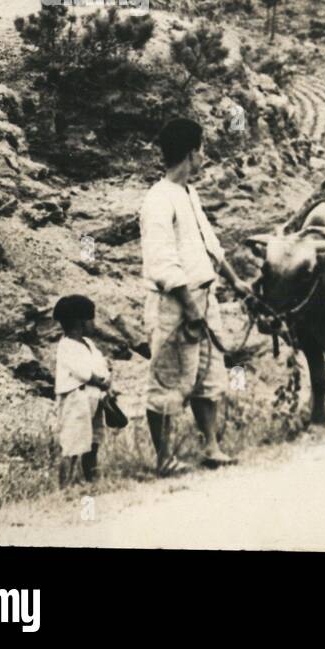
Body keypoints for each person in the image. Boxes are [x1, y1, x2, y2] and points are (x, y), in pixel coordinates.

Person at [140, 118, 255, 475]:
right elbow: (163, 262)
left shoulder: (189, 193)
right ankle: (165, 457)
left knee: (208, 376)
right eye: (202, 150)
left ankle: (211, 447)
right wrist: (189, 308)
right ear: (192, 154)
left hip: (204, 298)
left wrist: (235, 281)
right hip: (176, 303)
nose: (204, 157)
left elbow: (210, 246)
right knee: (168, 379)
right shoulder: (158, 199)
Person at [52, 294, 111, 487]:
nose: (93, 324)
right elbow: (82, 372)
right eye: (90, 319)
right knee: (73, 441)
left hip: (94, 397)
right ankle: (65, 484)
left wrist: (105, 380)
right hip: (76, 397)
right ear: (79, 322)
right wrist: (99, 380)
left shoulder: (89, 345)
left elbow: (101, 365)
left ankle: (91, 478)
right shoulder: (66, 346)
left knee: (93, 439)